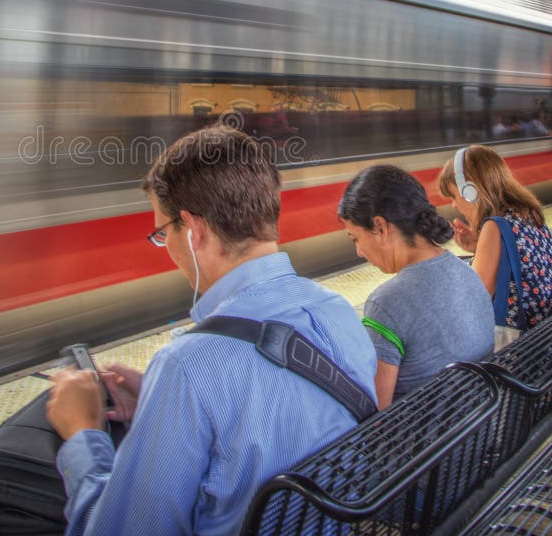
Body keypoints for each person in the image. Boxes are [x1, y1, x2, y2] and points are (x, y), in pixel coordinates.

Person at [46, 125, 377, 536]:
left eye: (162, 232)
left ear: (194, 229)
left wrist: (83, 434)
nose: (165, 246)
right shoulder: (338, 313)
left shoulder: (187, 366)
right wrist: (159, 401)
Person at [338, 165, 494, 409]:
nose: (359, 251)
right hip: (483, 428)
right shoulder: (467, 271)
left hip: (428, 445)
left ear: (380, 227)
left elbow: (374, 411)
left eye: (356, 238)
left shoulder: (386, 303)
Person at [437, 144, 552, 331]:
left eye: (453, 196)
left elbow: (476, 297)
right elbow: (515, 262)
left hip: (515, 346)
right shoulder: (529, 215)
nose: (454, 205)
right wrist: (477, 246)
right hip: (543, 335)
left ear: (471, 192)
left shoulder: (494, 226)